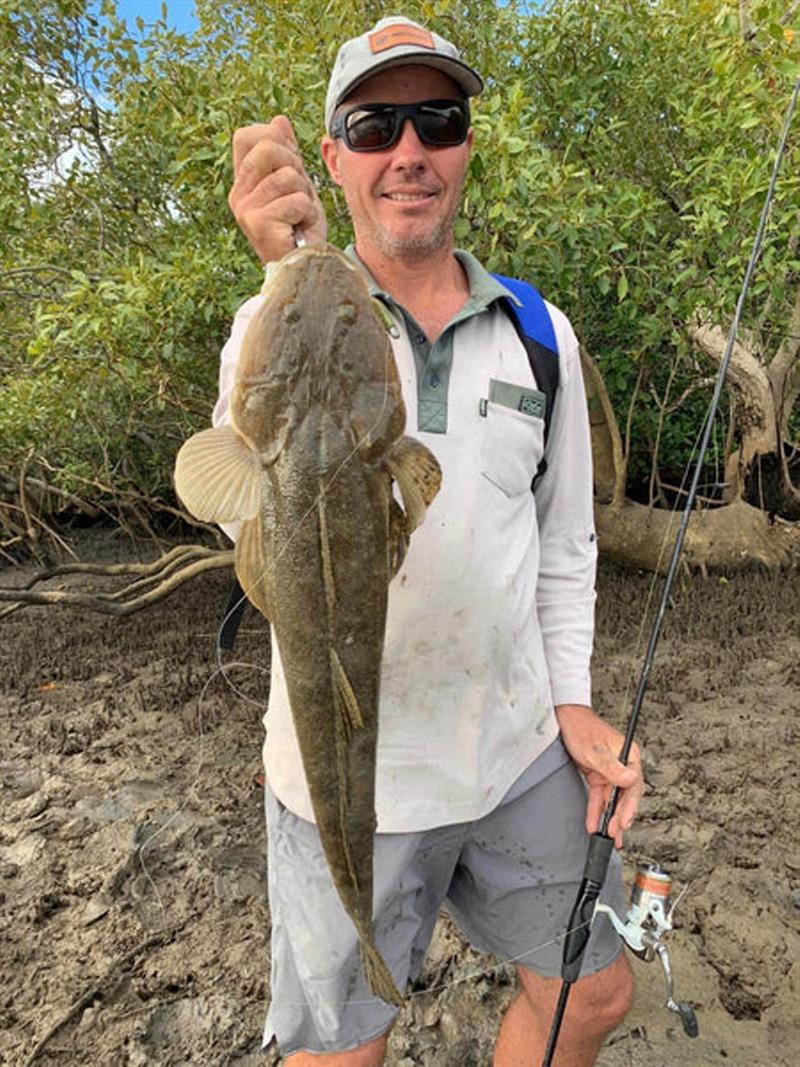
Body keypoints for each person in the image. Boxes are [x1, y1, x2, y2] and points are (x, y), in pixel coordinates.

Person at [218, 15, 644, 1067]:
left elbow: (563, 541)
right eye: (375, 126)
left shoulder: (539, 335)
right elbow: (233, 503)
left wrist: (572, 702)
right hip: (341, 769)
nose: (408, 149)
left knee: (591, 992)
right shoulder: (272, 322)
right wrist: (287, 266)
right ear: (332, 158)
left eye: (437, 121)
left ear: (465, 145)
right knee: (339, 1049)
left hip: (512, 752)